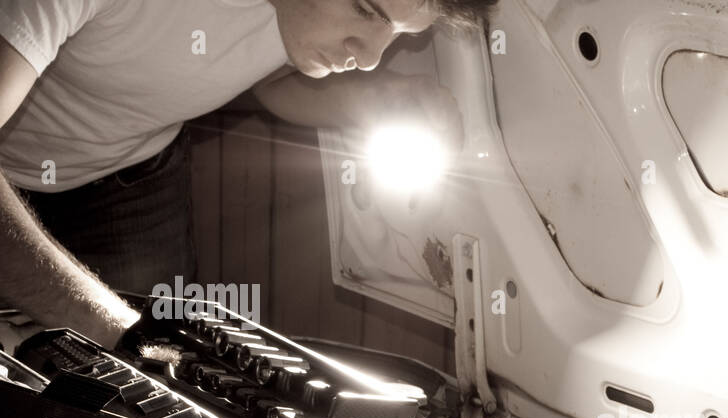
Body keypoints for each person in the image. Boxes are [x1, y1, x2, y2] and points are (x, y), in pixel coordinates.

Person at [0, 0, 495, 348]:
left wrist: (373, 101)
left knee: (140, 417)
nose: (368, 59)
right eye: (366, 9)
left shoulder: (303, 18)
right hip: (11, 175)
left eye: (403, 35)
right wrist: (113, 330)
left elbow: (258, 74)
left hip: (134, 183)